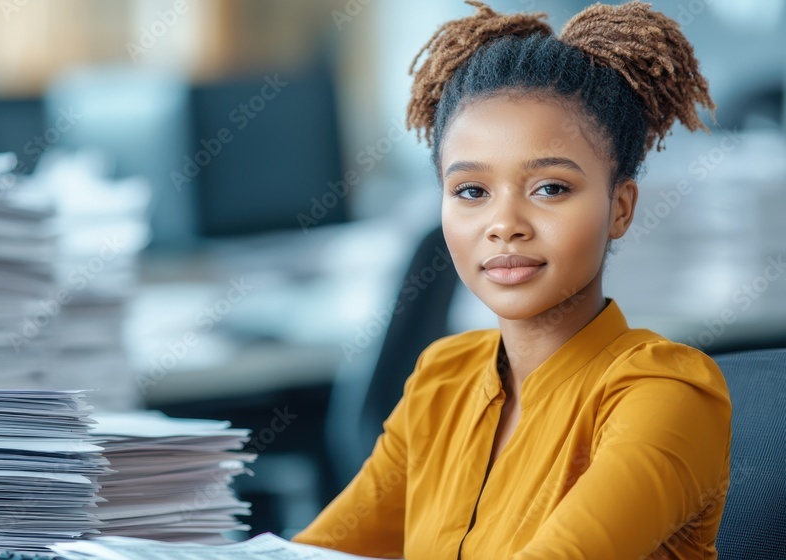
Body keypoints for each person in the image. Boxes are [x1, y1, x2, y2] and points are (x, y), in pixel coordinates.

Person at [291, 2, 732, 558]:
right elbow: (318, 552)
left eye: (550, 188)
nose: (504, 226)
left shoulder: (664, 396)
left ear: (620, 207)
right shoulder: (442, 381)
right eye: (471, 192)